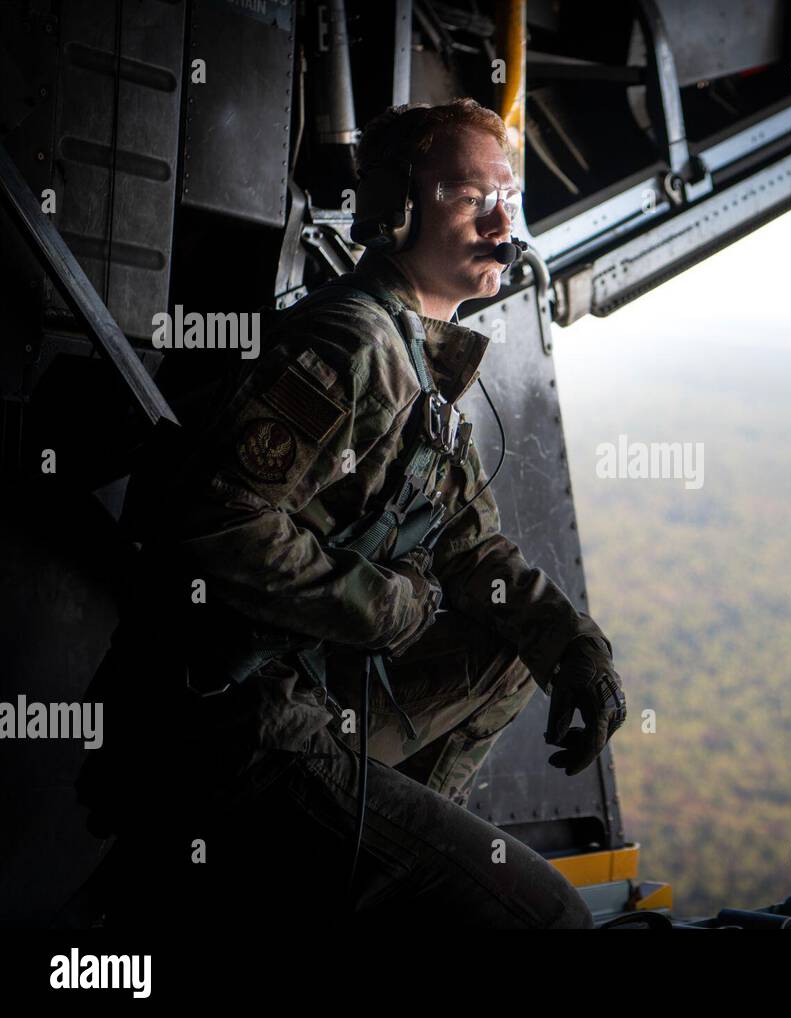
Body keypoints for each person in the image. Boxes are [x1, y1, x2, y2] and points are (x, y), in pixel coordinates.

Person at [73, 98, 626, 930]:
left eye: (508, 198)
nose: (503, 224)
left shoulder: (424, 372)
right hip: (230, 724)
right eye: (472, 198)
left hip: (301, 694)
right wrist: (379, 607)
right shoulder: (351, 345)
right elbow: (214, 520)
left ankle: (363, 866)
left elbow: (474, 554)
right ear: (397, 212)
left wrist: (576, 648)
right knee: (547, 920)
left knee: (514, 645)